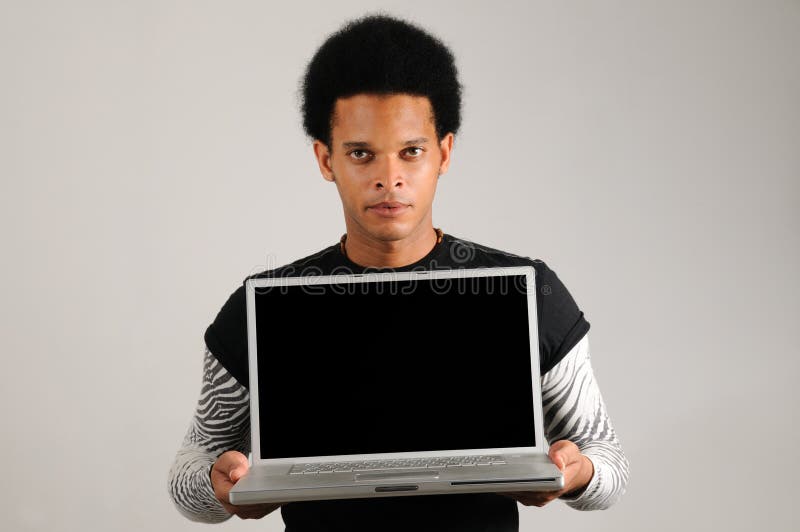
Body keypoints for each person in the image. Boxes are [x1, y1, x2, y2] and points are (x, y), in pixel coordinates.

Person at [167, 13, 629, 531]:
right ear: (326, 159)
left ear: (443, 153)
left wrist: (574, 471)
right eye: (361, 154)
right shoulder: (260, 306)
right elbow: (189, 478)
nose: (390, 179)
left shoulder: (527, 291)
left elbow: (607, 463)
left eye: (412, 152)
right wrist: (219, 485)